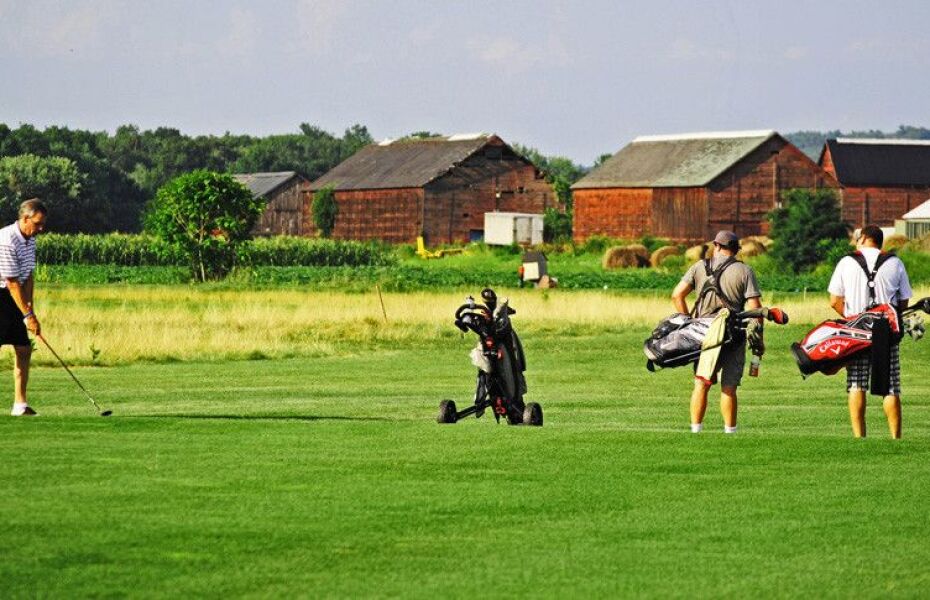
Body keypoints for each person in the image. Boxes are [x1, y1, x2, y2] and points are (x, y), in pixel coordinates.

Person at [671, 230, 762, 434]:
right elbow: (755, 310)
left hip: (704, 334)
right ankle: (730, 433)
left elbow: (677, 295)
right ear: (736, 250)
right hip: (733, 335)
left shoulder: (699, 267)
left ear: (716, 246)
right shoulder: (745, 271)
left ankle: (696, 430)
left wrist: (689, 324)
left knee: (701, 383)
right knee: (729, 387)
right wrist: (758, 341)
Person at [828, 225, 912, 439]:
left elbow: (834, 300)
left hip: (856, 329)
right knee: (891, 386)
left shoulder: (846, 262)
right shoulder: (895, 262)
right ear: (880, 242)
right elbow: (903, 302)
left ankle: (859, 437)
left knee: (857, 383)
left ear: (863, 238)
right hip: (886, 331)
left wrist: (851, 320)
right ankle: (895, 437)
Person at [1, 199, 47, 416]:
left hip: (13, 296)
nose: (40, 229)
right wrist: (28, 316)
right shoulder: (7, 239)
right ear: (25, 218)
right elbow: (11, 282)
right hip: (3, 292)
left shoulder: (30, 240)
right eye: (37, 224)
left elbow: (28, 277)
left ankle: (20, 405)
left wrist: (30, 311)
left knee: (23, 348)